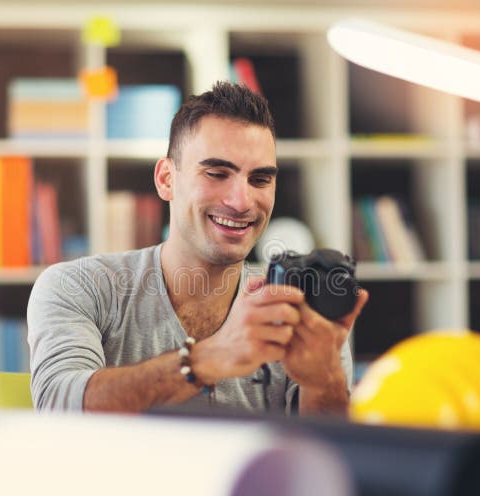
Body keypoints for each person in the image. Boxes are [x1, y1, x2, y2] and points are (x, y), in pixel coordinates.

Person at [28, 81, 368, 415]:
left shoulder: (299, 306)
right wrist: (210, 358)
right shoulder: (77, 285)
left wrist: (323, 380)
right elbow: (59, 404)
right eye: (217, 173)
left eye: (260, 179)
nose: (241, 201)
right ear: (166, 179)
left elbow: (329, 445)